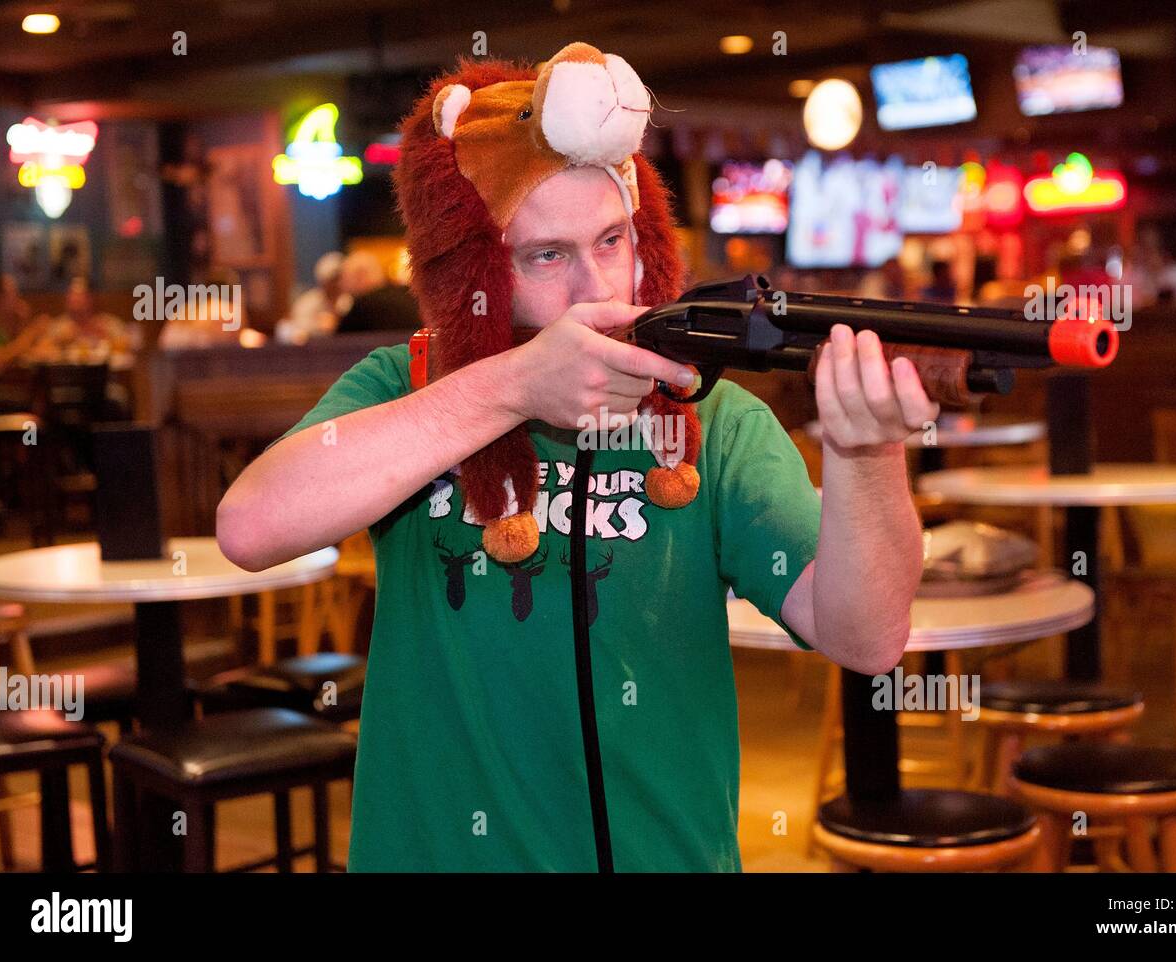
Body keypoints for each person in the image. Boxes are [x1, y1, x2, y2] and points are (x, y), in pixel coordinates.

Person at [217, 42, 935, 872]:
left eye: (611, 241)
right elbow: (251, 525)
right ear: (477, 274)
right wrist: (513, 387)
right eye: (546, 256)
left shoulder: (715, 421)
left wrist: (867, 453)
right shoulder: (405, 386)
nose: (597, 290)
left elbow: (868, 635)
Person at [30, 277, 139, 363]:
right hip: (66, 380)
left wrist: (106, 338)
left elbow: (129, 345)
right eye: (71, 296)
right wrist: (60, 342)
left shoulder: (107, 323)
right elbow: (38, 350)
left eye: (80, 296)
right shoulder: (60, 326)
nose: (74, 300)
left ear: (90, 299)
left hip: (104, 381)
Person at [332, 251, 421, 333]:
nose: (341, 285)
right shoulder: (408, 294)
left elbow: (339, 341)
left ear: (360, 276)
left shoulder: (362, 306)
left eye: (344, 278)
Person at [0, 272, 49, 369]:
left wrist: (22, 322)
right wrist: (32, 331)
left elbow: (14, 352)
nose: (18, 299)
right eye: (13, 293)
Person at [279, 251, 349, 343]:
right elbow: (290, 329)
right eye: (333, 280)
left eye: (339, 278)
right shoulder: (308, 302)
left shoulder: (349, 301)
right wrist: (317, 326)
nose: (336, 284)